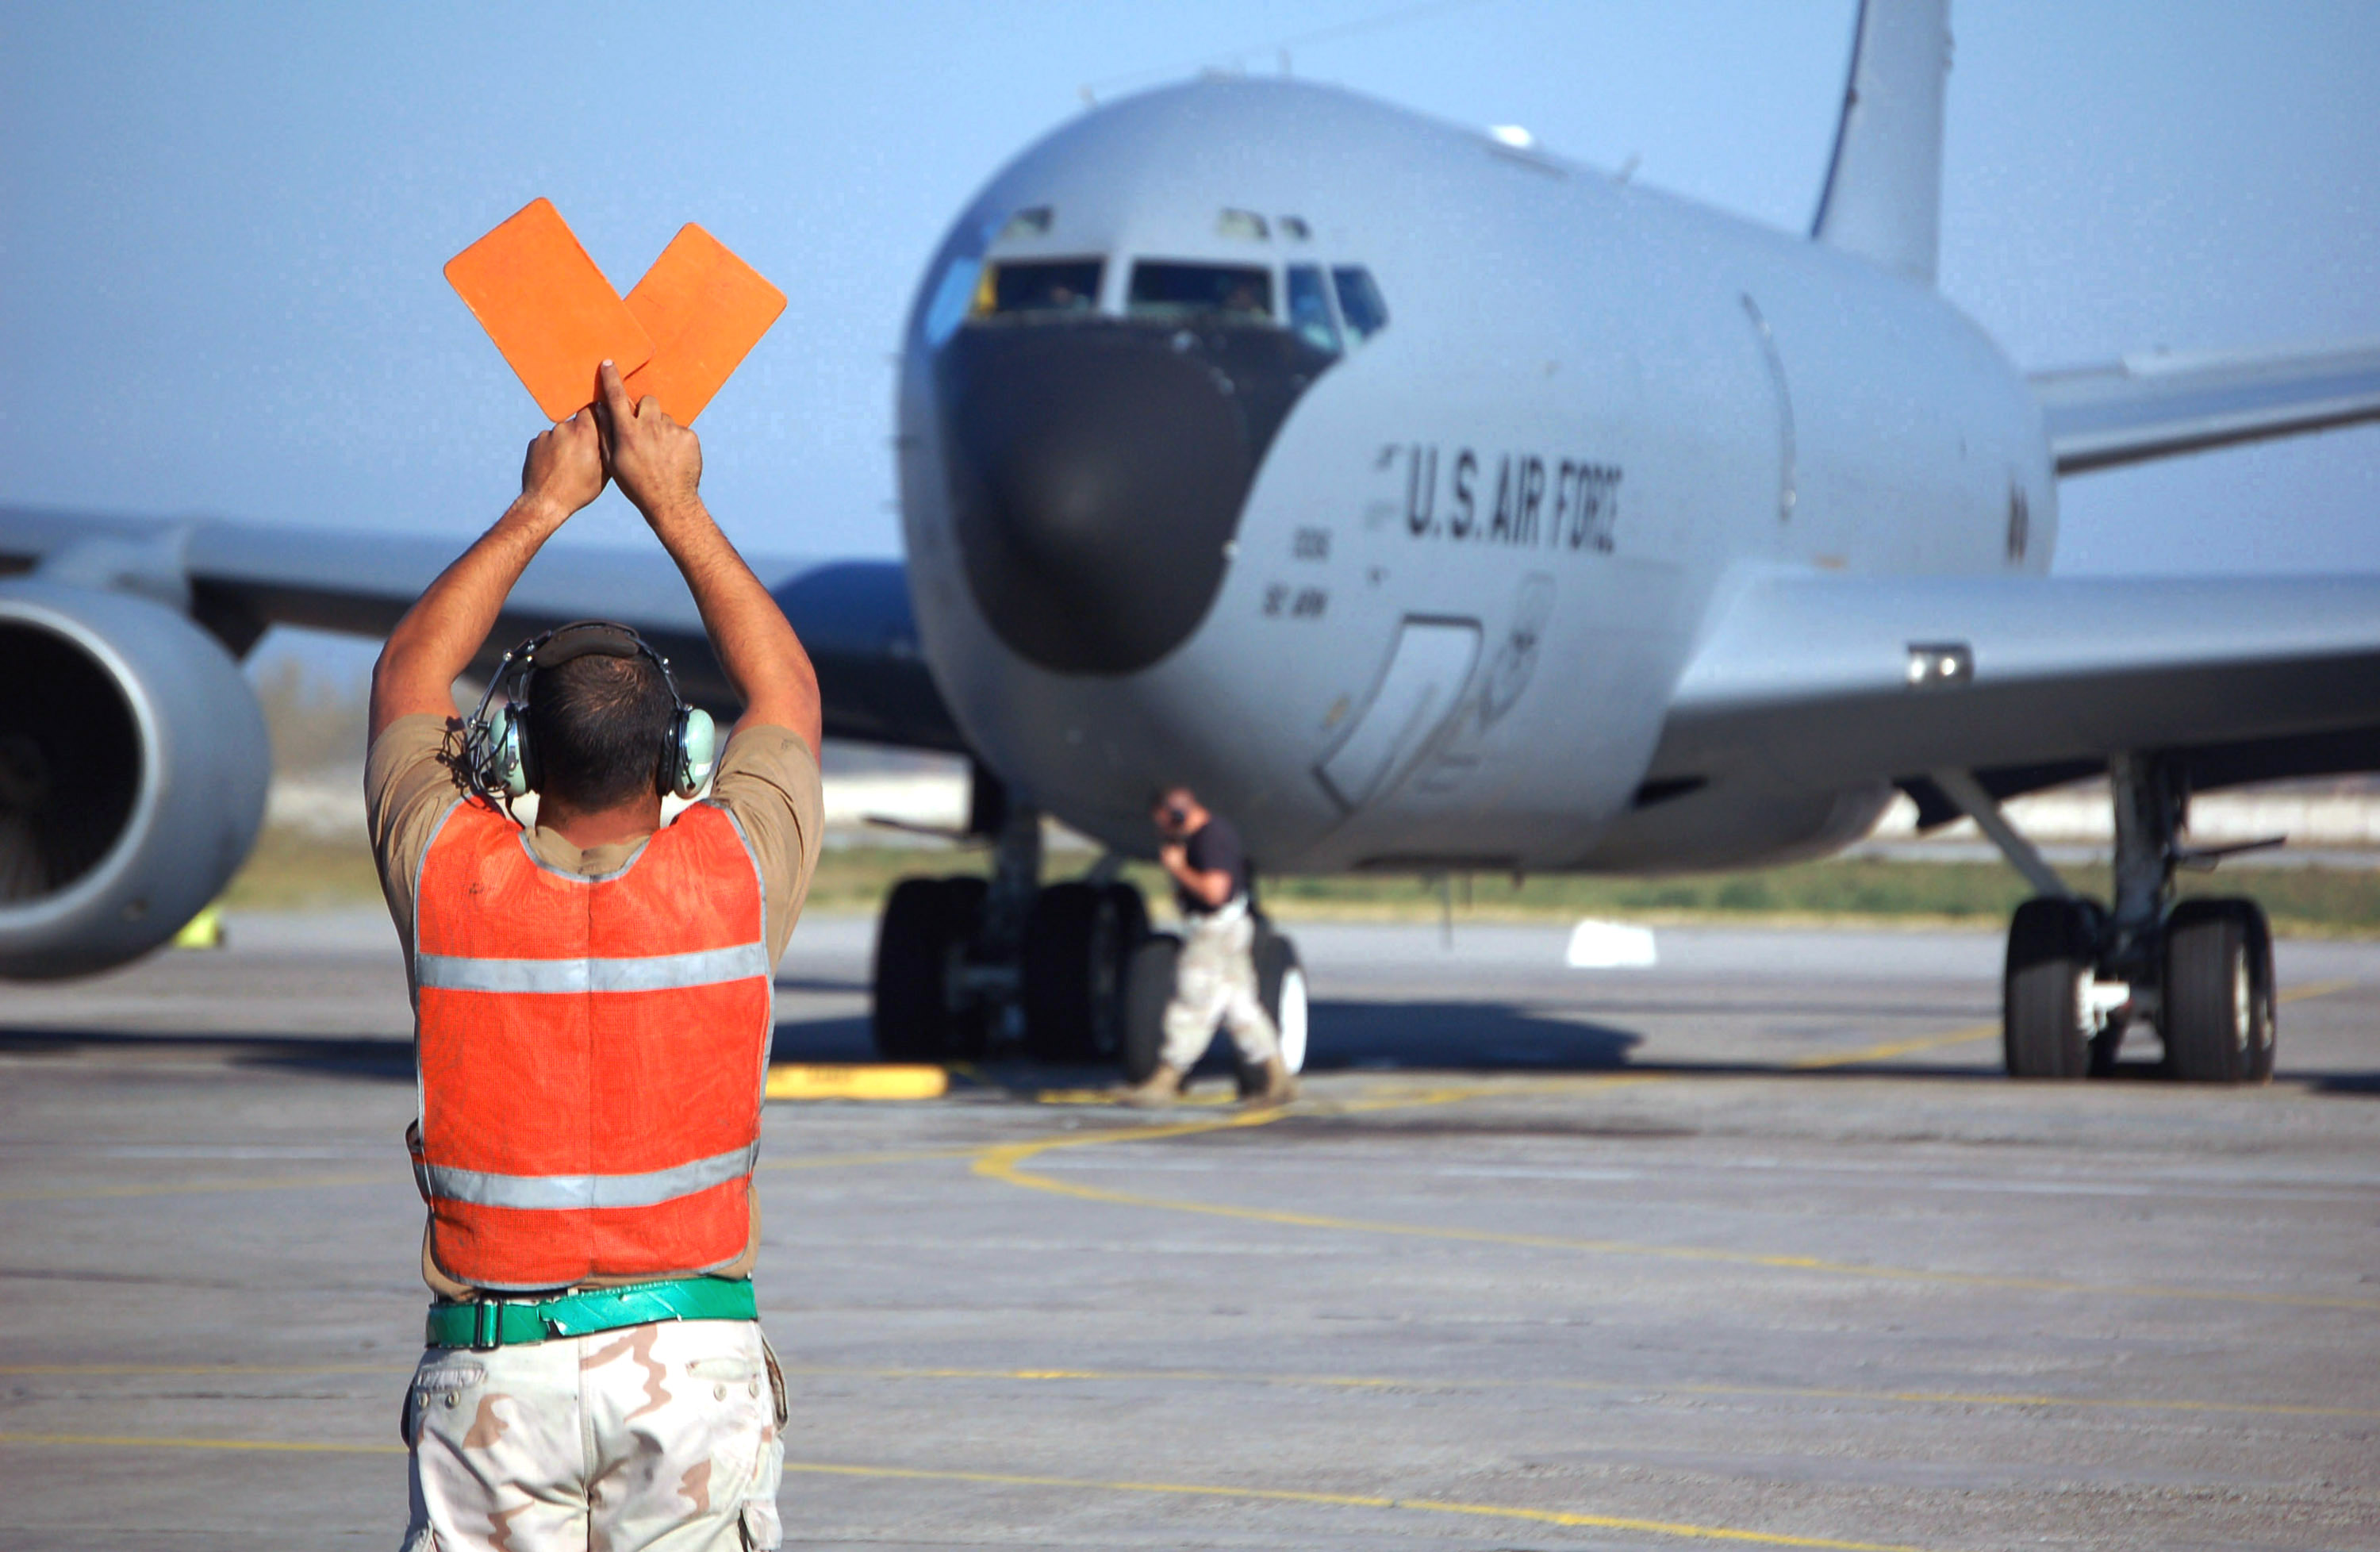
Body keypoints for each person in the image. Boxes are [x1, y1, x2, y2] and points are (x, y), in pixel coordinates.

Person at [367, 361, 823, 1552]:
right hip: (688, 1366)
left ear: (511, 756)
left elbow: (407, 675)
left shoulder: (448, 878)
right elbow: (788, 687)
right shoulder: (734, 879)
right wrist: (672, 501)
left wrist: (539, 506)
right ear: (685, 758)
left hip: (496, 1378)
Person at [1116, 785, 1297, 1108]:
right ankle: (1277, 1076)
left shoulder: (1210, 838)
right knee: (1241, 1006)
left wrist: (1178, 869)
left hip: (1215, 931)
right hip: (1232, 927)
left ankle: (1166, 1079)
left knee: (1192, 1001)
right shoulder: (1214, 834)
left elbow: (1215, 891)